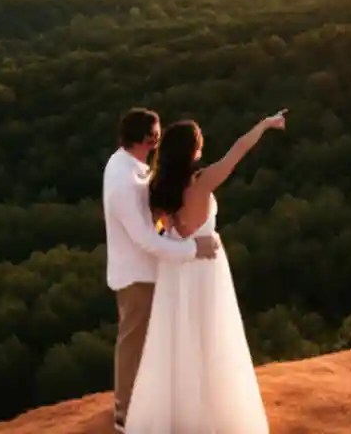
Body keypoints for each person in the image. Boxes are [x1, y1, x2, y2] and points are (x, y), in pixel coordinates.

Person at [125, 110, 286, 433]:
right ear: (192, 150)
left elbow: (154, 228)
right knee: (210, 334)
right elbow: (239, 149)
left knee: (176, 337)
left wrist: (174, 230)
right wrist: (266, 124)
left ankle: (178, 416)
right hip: (206, 266)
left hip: (175, 266)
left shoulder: (159, 188)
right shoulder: (203, 181)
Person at [103, 108, 220, 434]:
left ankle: (143, 405)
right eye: (155, 133)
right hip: (137, 274)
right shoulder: (123, 180)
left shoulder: (129, 168)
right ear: (145, 138)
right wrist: (192, 249)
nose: (159, 138)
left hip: (147, 270)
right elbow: (144, 240)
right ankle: (124, 414)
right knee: (134, 344)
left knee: (150, 342)